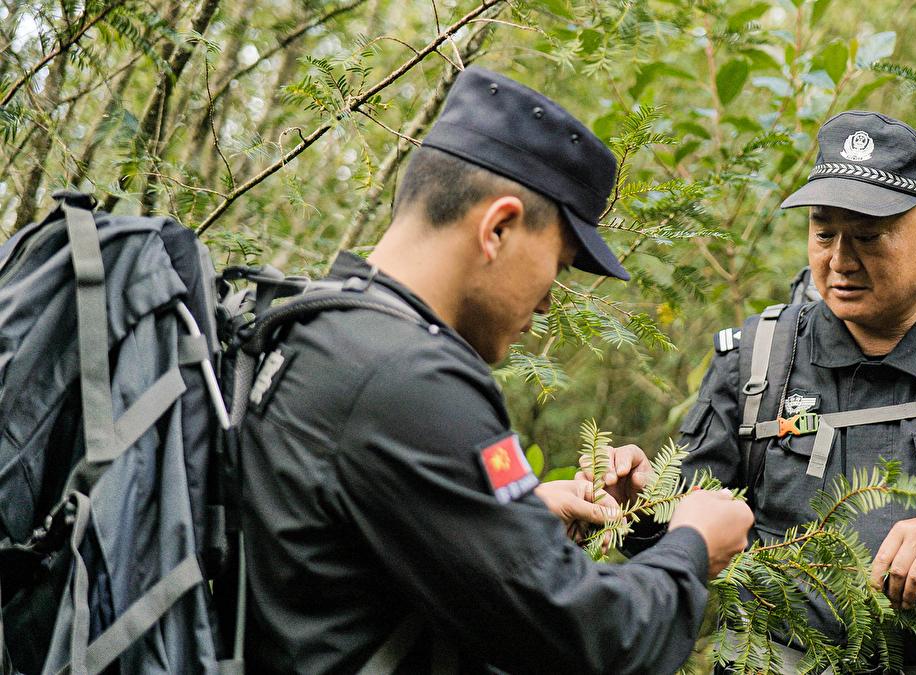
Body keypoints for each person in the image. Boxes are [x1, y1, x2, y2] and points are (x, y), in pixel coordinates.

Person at [236, 66, 754, 674]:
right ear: (498, 227)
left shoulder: (321, 324)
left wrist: (517, 516)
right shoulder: (411, 379)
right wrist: (692, 545)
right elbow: (587, 640)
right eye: (557, 265)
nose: (547, 303)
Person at [588, 111, 916, 671]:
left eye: (867, 236)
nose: (839, 262)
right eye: (824, 232)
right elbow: (692, 529)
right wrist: (636, 506)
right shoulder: (758, 362)